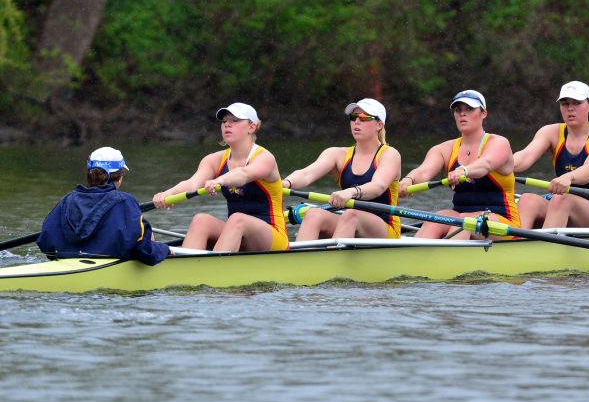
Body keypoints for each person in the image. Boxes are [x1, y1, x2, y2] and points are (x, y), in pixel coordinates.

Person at [153, 103, 288, 251]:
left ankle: (214, 264)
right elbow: (192, 184)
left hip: (273, 236)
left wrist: (220, 180)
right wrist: (168, 193)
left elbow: (244, 174)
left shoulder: (265, 158)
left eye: (235, 120)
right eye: (224, 121)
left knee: (237, 219)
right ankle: (188, 265)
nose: (227, 125)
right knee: (200, 220)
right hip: (237, 231)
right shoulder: (214, 160)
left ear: (252, 127)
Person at [399, 89, 519, 239]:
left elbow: (486, 164)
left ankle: (448, 252)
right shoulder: (444, 149)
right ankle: (412, 252)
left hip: (504, 223)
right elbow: (423, 172)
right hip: (461, 218)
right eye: (458, 110)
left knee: (465, 221)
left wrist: (463, 170)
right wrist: (408, 180)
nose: (462, 113)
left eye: (469, 109)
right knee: (436, 219)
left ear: (484, 113)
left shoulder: (499, 143)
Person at [281, 98, 402, 240]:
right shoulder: (337, 154)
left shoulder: (389, 154)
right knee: (313, 214)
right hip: (349, 223)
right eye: (353, 117)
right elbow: (306, 174)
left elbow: (378, 186)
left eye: (364, 118)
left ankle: (332, 253)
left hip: (385, 228)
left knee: (351, 215)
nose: (357, 122)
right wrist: (284, 184)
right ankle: (301, 254)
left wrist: (351, 192)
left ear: (379, 125)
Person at [512, 80, 589, 228]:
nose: (570, 108)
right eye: (565, 104)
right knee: (527, 199)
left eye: (576, 103)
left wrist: (569, 177)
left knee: (561, 199)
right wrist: (496, 165)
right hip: (562, 206)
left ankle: (542, 242)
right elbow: (524, 157)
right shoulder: (550, 132)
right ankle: (517, 241)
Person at [37, 147, 169, 265]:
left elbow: (46, 242)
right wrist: (164, 249)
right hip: (108, 269)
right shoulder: (125, 201)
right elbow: (145, 251)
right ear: (119, 176)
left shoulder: (67, 200)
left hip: (66, 265)